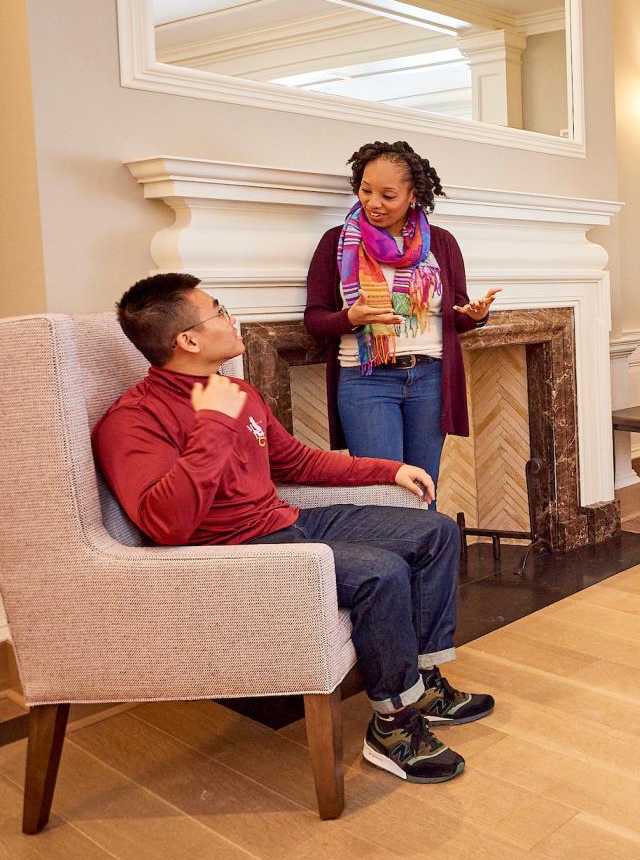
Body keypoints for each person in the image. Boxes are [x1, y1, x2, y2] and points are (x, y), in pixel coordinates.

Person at [94, 273, 494, 785]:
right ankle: (393, 727)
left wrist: (386, 470)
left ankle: (425, 683)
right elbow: (167, 523)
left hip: (286, 523)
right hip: (234, 552)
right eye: (217, 309)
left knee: (433, 531)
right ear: (188, 340)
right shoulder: (132, 421)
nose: (230, 316)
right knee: (381, 572)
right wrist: (213, 424)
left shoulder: (234, 390)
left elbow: (295, 462)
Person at [304, 141, 500, 497]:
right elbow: (315, 321)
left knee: (424, 490)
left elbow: (455, 314)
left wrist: (476, 315)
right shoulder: (336, 242)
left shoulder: (440, 244)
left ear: (413, 196)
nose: (373, 202)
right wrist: (351, 317)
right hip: (366, 383)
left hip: (429, 380)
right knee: (383, 493)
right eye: (366, 190)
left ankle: (431, 555)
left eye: (387, 195)